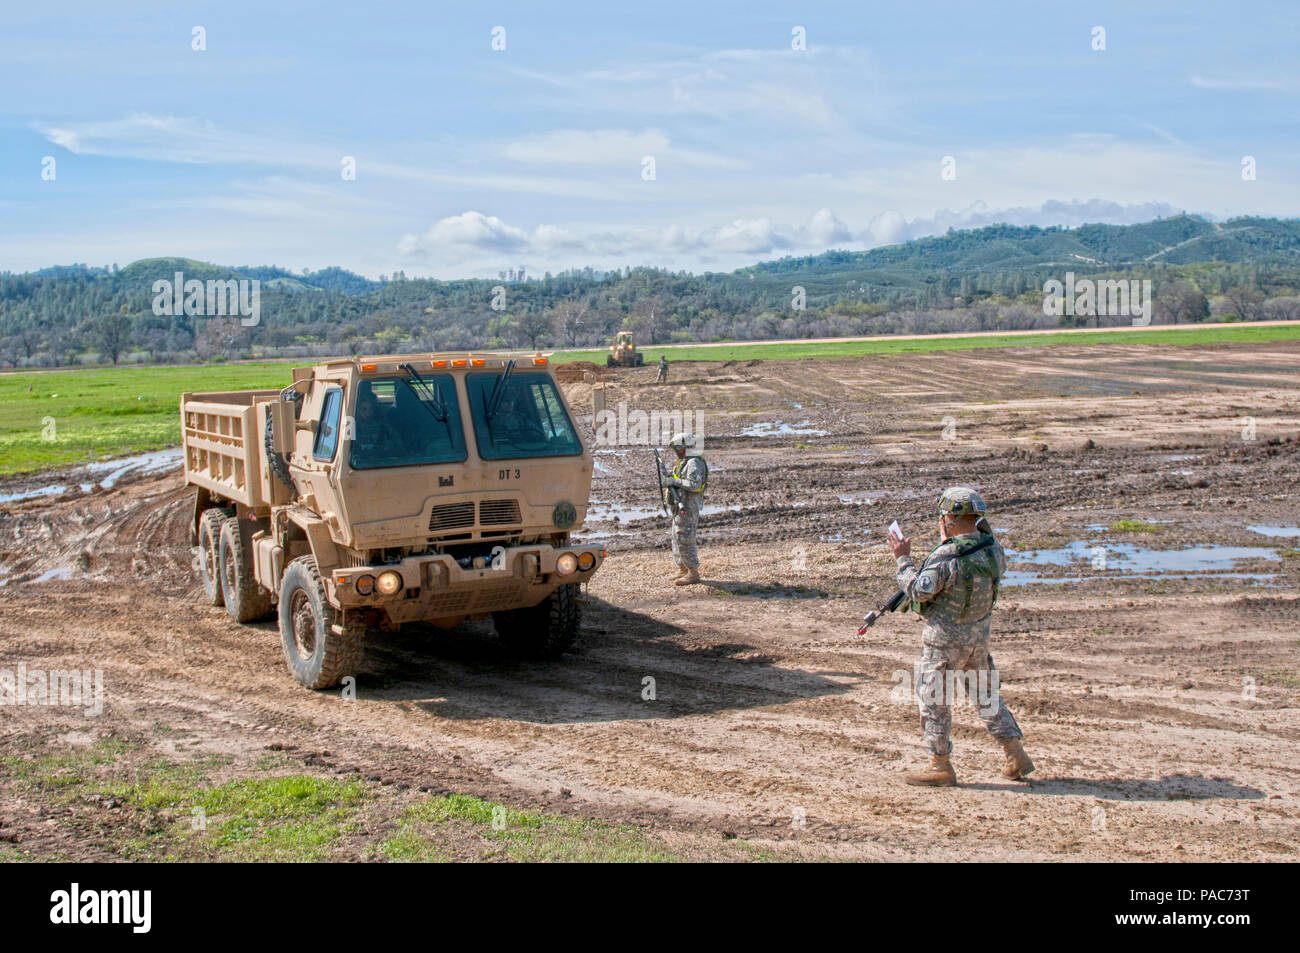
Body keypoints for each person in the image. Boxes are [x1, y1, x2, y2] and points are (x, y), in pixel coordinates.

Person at [888, 487, 1034, 787]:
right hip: (978, 638)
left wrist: (903, 560)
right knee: (987, 697)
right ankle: (1015, 754)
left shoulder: (947, 555)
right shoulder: (993, 549)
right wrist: (952, 542)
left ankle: (940, 765)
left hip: (943, 642)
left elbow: (917, 590)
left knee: (933, 701)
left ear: (951, 517)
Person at [659, 432, 708, 585]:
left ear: (686, 446)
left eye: (679, 448)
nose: (676, 451)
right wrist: (672, 482)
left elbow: (694, 485)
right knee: (676, 537)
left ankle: (693, 573)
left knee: (685, 538)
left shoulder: (694, 463)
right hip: (679, 506)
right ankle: (683, 569)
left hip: (688, 506)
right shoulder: (685, 462)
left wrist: (675, 481)